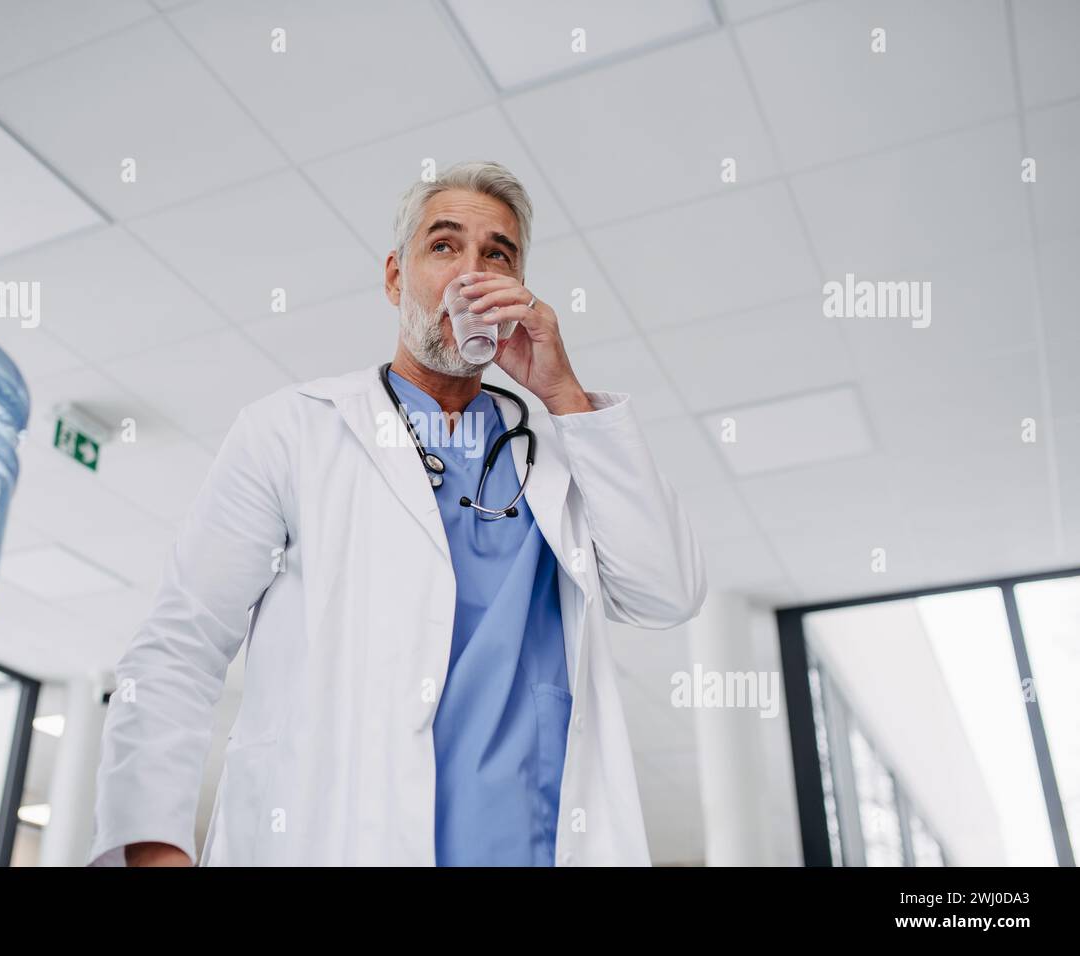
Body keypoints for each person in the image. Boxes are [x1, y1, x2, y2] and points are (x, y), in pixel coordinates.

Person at [88, 160, 707, 867]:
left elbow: (667, 592)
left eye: (497, 254)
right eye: (444, 246)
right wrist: (151, 845)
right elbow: (180, 646)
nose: (471, 272)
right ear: (394, 277)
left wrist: (564, 395)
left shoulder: (559, 455)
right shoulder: (292, 432)